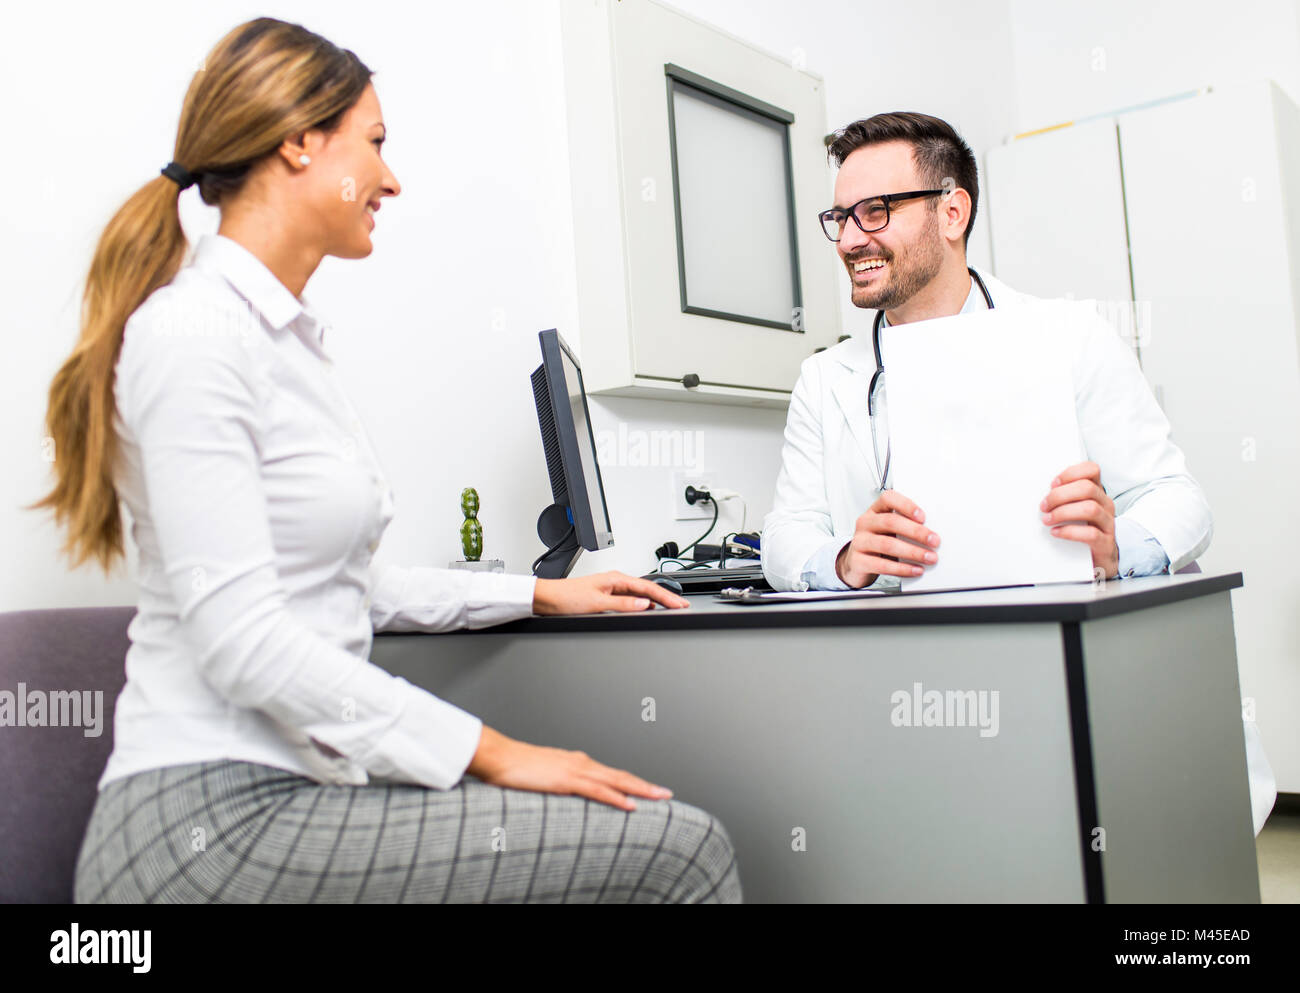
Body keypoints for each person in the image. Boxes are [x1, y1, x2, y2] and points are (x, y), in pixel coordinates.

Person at [33, 17, 740, 904]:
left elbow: (339, 587)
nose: (392, 178)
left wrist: (535, 592)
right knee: (681, 852)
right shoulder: (194, 336)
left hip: (293, 790)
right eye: (374, 143)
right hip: (200, 826)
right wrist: (499, 753)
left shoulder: (287, 343)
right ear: (300, 143)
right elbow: (243, 641)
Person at [762, 112, 1212, 592]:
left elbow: (1178, 499)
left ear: (952, 213)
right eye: (840, 218)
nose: (850, 240)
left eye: (876, 211)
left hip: (1048, 636)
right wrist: (846, 559)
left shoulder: (1070, 336)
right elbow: (785, 536)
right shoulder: (824, 377)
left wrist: (1119, 547)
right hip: (889, 648)